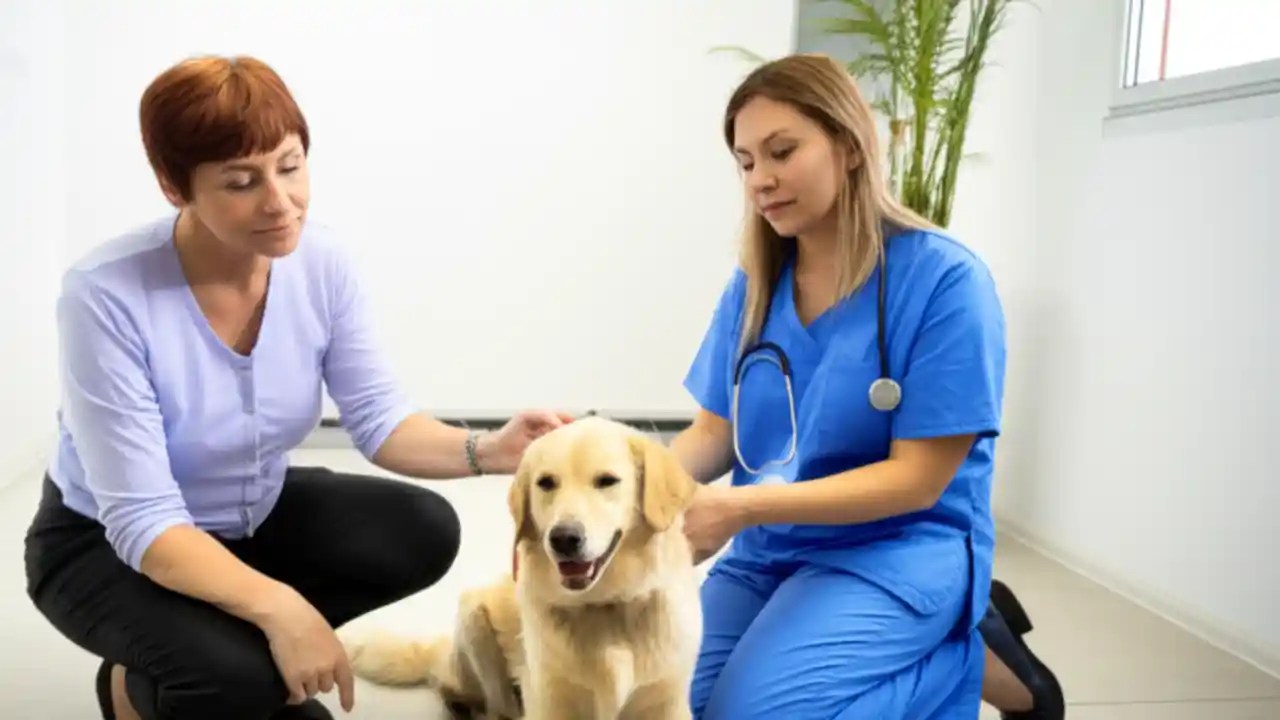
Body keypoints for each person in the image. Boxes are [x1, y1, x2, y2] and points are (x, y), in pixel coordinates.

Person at [22, 55, 571, 720]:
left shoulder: (322, 262)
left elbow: (377, 419)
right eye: (240, 181)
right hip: (107, 547)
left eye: (290, 165)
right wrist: (284, 612)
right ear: (176, 187)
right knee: (243, 681)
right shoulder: (106, 294)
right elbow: (145, 522)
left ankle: (217, 665)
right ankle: (148, 686)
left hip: (248, 517)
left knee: (421, 530)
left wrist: (492, 450)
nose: (280, 202)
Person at [667, 54, 1065, 719]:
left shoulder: (945, 283)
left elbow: (916, 482)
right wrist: (624, 492)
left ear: (849, 147)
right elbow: (715, 432)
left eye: (782, 151)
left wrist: (738, 511)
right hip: (773, 554)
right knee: (671, 705)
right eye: (745, 162)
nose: (761, 179)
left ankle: (965, 657)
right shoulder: (756, 285)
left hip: (899, 550)